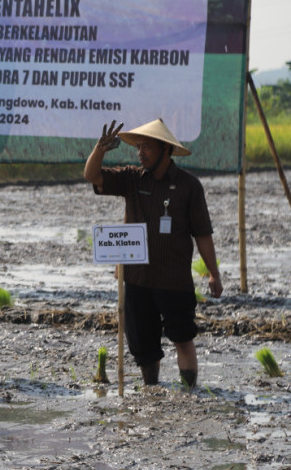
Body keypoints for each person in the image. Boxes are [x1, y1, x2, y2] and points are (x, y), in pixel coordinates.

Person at [84, 118, 222, 388]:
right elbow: (92, 176)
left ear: (166, 149)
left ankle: (189, 391)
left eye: (147, 146)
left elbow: (203, 234)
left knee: (183, 337)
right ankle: (152, 391)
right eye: (138, 147)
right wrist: (99, 150)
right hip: (137, 279)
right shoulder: (132, 179)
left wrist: (214, 274)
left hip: (175, 279)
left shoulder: (189, 186)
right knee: (144, 346)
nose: (140, 152)